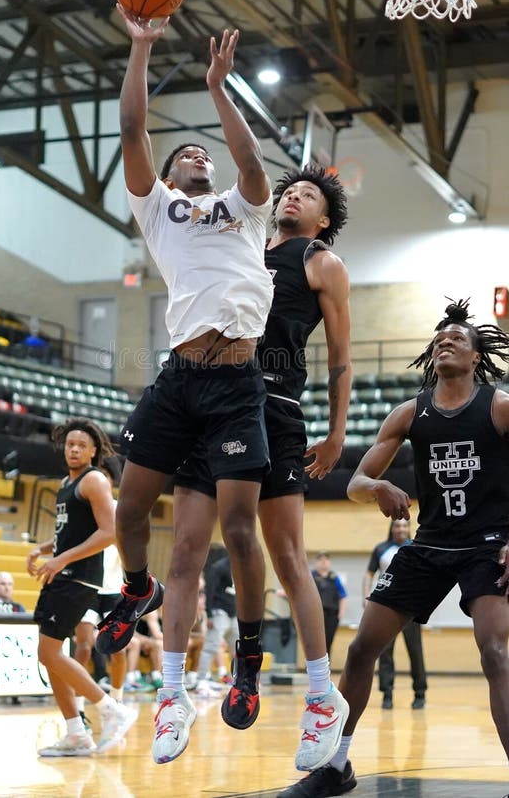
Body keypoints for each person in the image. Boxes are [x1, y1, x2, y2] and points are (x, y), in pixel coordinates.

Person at [97, 9, 275, 754]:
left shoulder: (243, 208)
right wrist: (141, 47)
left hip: (236, 385)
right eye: (188, 152)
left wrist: (218, 91)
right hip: (179, 381)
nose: (199, 153)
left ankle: (249, 658)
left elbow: (253, 163)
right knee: (132, 514)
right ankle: (136, 587)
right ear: (170, 179)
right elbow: (133, 130)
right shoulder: (161, 211)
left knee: (236, 531)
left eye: (206, 151)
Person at [277, 298, 509, 797]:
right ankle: (335, 767)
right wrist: (377, 487)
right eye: (440, 338)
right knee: (361, 650)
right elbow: (355, 483)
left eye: (458, 339)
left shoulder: (499, 406)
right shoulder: (410, 412)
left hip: (489, 546)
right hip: (431, 545)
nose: (446, 341)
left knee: (495, 651)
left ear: (474, 358)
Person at [160, 163, 352, 767]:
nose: (293, 195)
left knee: (287, 555)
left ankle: (322, 696)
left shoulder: (321, 262)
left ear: (322, 219)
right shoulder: (238, 235)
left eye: (308, 195)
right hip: (208, 398)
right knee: (185, 548)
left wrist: (337, 432)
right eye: (289, 189)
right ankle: (174, 692)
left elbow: (341, 357)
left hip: (273, 406)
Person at [27, 417, 134, 757]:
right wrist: (45, 549)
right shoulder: (66, 482)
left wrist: (60, 560)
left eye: (81, 445)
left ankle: (110, 709)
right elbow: (70, 532)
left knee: (50, 653)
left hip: (79, 577)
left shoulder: (94, 480)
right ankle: (76, 732)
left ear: (93, 451)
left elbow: (109, 532)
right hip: (63, 574)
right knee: (50, 657)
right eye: (69, 444)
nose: (73, 449)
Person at [72, 456, 138, 742]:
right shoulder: (82, 510)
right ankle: (79, 712)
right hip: (87, 586)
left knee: (119, 650)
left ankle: (118, 702)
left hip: (113, 590)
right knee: (83, 646)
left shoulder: (120, 512)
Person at [365, 520, 427, 709]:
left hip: (411, 607)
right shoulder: (381, 549)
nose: (401, 529)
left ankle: (419, 693)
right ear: (392, 529)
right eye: (397, 526)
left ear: (409, 529)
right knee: (385, 653)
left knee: (415, 651)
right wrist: (365, 597)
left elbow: (426, 575)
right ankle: (387, 694)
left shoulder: (416, 547)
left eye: (404, 526)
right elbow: (369, 574)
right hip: (386, 606)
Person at [193, 551, 237, 696]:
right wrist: (210, 614)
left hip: (234, 613)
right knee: (211, 646)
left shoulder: (241, 565)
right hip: (219, 612)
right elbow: (209, 591)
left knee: (238, 649)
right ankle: (201, 681)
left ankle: (239, 680)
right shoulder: (219, 567)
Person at [311, 552, 348, 655]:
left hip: (332, 615)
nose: (323, 561)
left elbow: (343, 596)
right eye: (320, 559)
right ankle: (313, 668)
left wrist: (341, 613)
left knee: (328, 641)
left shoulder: (334, 577)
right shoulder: (310, 576)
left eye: (326, 559)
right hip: (315, 615)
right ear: (316, 562)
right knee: (314, 642)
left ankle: (326, 668)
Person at [184, 576, 208, 691]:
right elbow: (183, 631)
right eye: (201, 598)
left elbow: (204, 633)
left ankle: (193, 675)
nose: (204, 600)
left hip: (192, 638)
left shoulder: (202, 613)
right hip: (182, 637)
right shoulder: (185, 605)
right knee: (186, 643)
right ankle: (180, 675)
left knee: (203, 642)